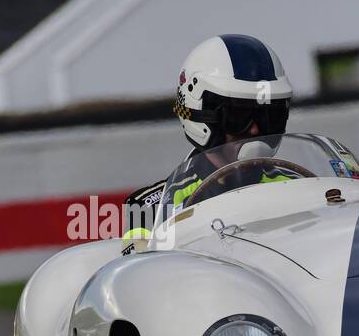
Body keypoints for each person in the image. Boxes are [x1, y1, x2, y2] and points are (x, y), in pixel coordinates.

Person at [122, 34, 294, 240]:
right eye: (239, 116)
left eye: (269, 116)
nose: (256, 130)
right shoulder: (150, 209)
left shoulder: (299, 186)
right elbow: (145, 269)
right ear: (202, 115)